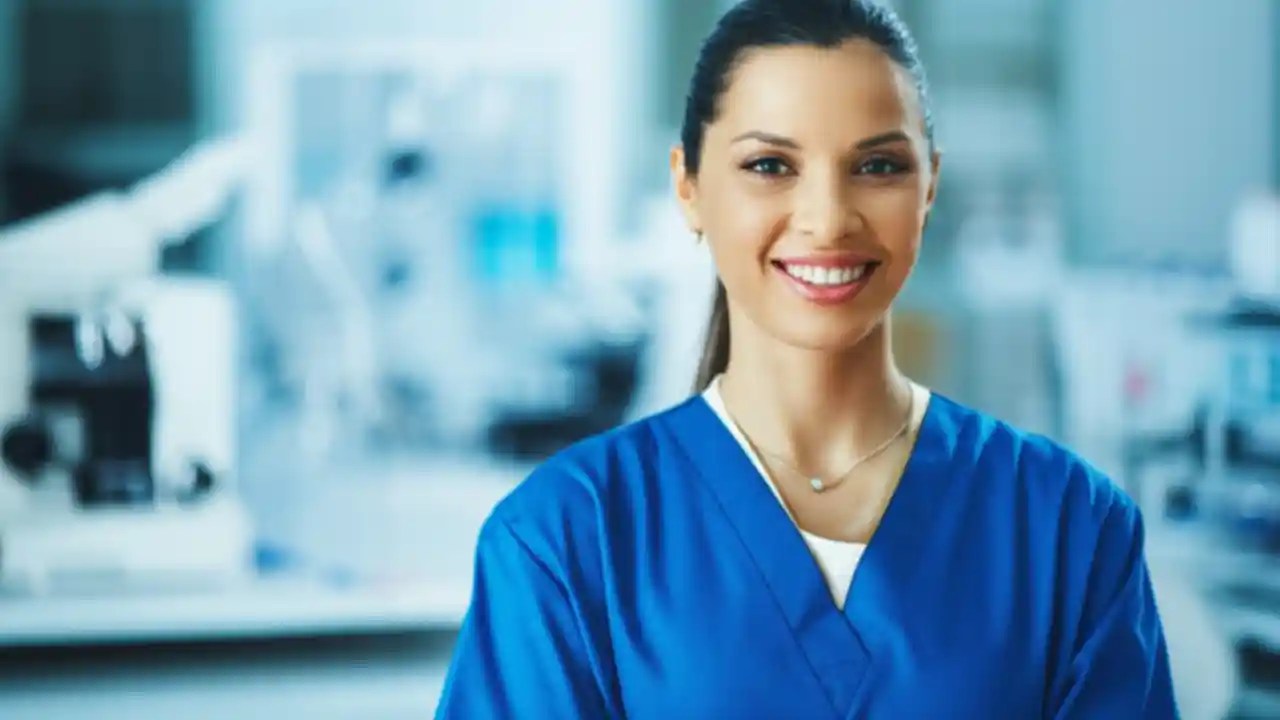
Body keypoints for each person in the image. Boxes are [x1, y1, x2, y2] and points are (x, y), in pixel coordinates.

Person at [435, 1, 1179, 717]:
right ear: (688, 186)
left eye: (879, 166)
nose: (827, 218)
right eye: (769, 165)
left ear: (930, 186)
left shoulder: (1068, 527)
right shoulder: (568, 536)